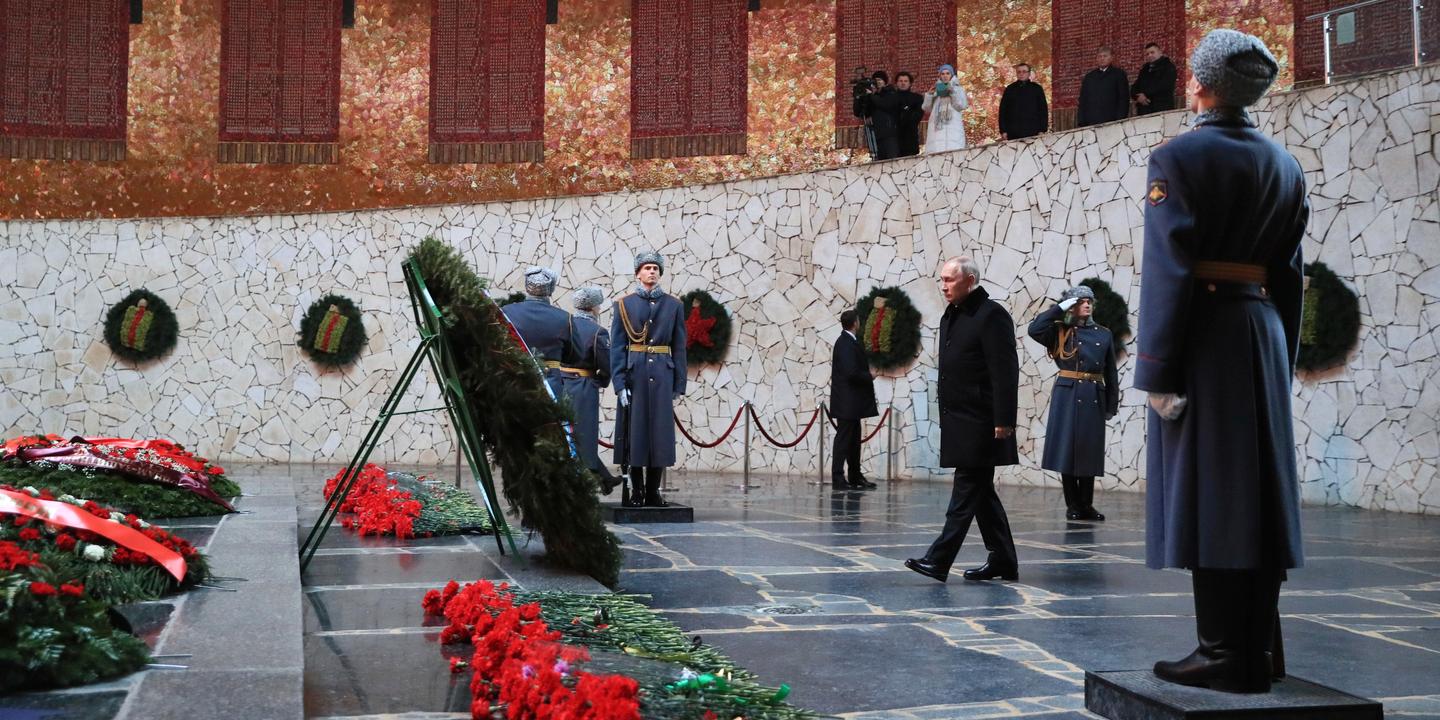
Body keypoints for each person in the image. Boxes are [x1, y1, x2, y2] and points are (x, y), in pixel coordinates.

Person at [1136, 29, 1307, 694]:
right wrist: (1280, 356)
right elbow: (1290, 275)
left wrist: (1156, 367)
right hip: (1260, 332)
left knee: (1210, 493)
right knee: (1259, 496)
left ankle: (1221, 653)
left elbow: (1169, 268)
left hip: (1205, 336)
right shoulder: (1285, 165)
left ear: (1200, 85)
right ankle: (1259, 648)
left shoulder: (1178, 158)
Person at [905, 256, 1020, 583]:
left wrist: (1004, 419)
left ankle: (939, 559)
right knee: (982, 495)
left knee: (966, 490)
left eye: (949, 280)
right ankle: (1004, 560)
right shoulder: (952, 315)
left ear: (970, 281)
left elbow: (1005, 370)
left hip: (982, 421)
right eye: (941, 280)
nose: (943, 286)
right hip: (960, 419)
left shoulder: (991, 315)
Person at [1027, 285, 1119, 521]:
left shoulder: (1103, 334)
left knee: (1089, 450)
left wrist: (1111, 405)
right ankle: (1073, 505)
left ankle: (1086, 505)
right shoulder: (1059, 331)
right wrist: (1059, 308)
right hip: (1067, 395)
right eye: (1081, 301)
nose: (1087, 304)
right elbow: (1033, 329)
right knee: (1067, 450)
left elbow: (1110, 372)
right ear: (1072, 306)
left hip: (1093, 395)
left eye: (1089, 300)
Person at [611, 251, 688, 508]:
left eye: (655, 268)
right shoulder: (623, 305)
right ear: (638, 273)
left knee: (660, 433)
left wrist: (679, 383)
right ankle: (637, 491)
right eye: (647, 268)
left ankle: (653, 491)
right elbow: (617, 348)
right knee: (636, 434)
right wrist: (619, 383)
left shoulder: (674, 305)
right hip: (636, 375)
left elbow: (679, 347)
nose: (652, 272)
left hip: (663, 375)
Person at [559, 287, 622, 497]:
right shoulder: (597, 332)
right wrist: (600, 381)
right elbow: (606, 365)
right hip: (583, 387)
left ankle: (604, 478)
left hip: (560, 383)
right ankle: (582, 487)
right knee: (583, 436)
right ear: (594, 307)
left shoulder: (563, 323)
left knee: (568, 434)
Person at [501, 266, 574, 395]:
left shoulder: (507, 312)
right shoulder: (565, 318)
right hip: (550, 385)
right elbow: (570, 355)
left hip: (514, 382)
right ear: (551, 289)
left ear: (527, 286)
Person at [830, 309, 878, 490]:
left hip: (852, 403)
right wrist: (869, 376)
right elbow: (851, 372)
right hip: (847, 403)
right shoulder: (845, 343)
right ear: (855, 323)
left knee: (853, 442)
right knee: (843, 441)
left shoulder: (849, 342)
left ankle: (855, 475)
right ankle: (838, 478)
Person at [1076, 47, 1129, 127]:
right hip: (1091, 122)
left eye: (1105, 56)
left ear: (1111, 58)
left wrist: (1120, 119)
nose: (1102, 59)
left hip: (1112, 121)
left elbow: (1123, 98)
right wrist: (1081, 121)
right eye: (1099, 56)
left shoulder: (1119, 74)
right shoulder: (1089, 77)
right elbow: (1083, 99)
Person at [922, 64, 968, 153]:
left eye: (947, 73)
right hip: (937, 128)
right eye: (942, 74)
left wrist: (952, 93)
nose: (945, 76)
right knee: (937, 153)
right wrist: (929, 95)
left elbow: (961, 106)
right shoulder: (936, 89)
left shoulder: (958, 89)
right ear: (940, 75)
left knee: (953, 153)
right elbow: (926, 108)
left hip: (953, 126)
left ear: (952, 75)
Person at [879, 71, 926, 157]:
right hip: (893, 138)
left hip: (910, 137)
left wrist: (905, 113)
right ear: (896, 83)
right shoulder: (890, 97)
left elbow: (917, 116)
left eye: (905, 81)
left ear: (910, 83)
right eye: (900, 81)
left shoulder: (917, 98)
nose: (903, 83)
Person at [998, 63, 1048, 141]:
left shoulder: (1037, 89)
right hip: (1013, 132)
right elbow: (1003, 111)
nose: (1021, 74)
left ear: (1029, 73)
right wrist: (1003, 130)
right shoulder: (1010, 89)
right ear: (1016, 74)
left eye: (1024, 71)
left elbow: (1043, 110)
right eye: (1019, 72)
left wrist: (1042, 130)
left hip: (1033, 131)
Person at [857, 71, 899, 160]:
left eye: (880, 80)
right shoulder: (873, 96)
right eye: (875, 80)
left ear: (885, 81)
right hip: (876, 134)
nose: (877, 82)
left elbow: (885, 104)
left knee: (892, 161)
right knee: (880, 162)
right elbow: (860, 112)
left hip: (890, 134)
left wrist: (871, 95)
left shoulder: (891, 92)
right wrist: (858, 97)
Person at [1132, 42, 1178, 115]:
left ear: (1160, 52)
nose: (1150, 55)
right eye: (1147, 54)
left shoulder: (1168, 67)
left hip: (1162, 109)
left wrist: (1145, 94)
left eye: (1152, 52)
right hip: (1144, 111)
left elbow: (1164, 86)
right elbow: (1135, 86)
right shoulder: (1145, 69)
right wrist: (1137, 97)